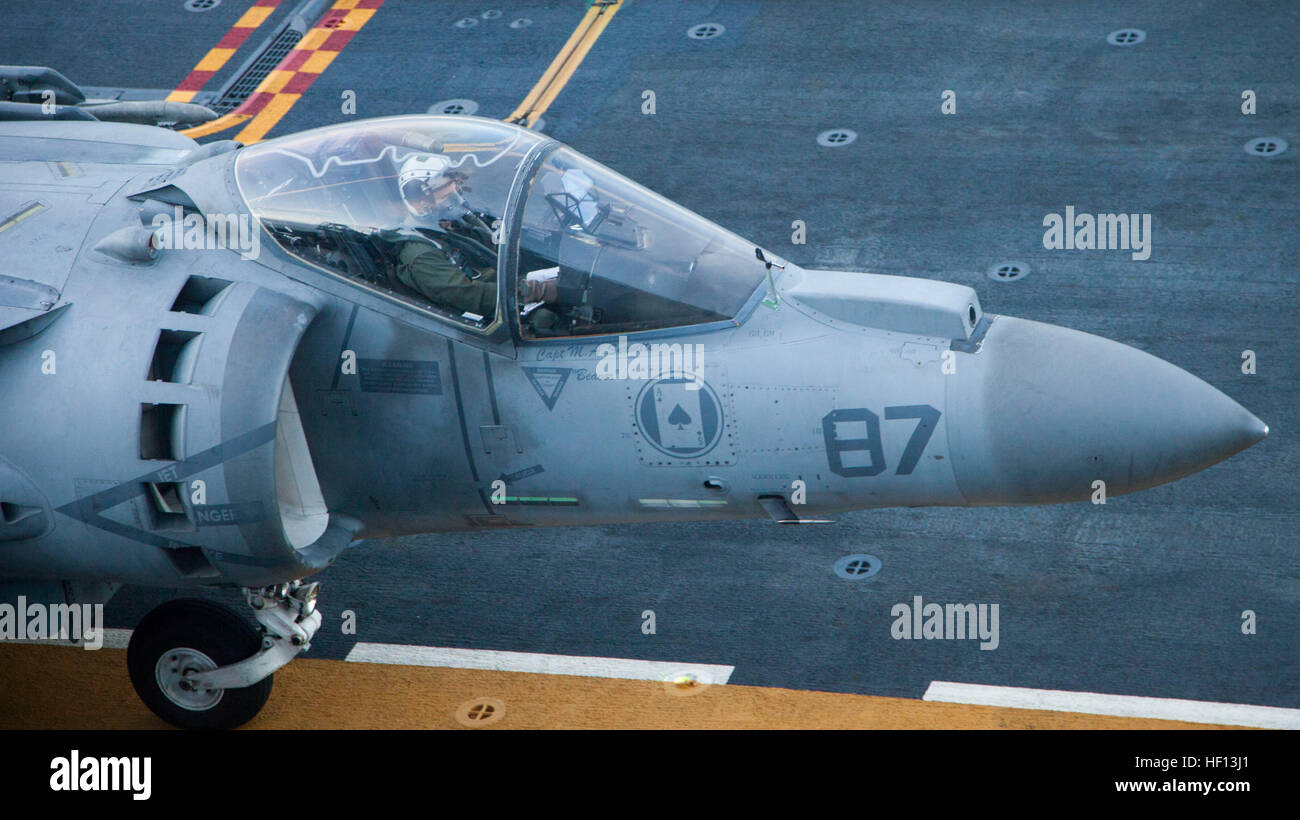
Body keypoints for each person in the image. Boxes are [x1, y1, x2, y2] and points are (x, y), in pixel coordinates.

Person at [393, 154, 556, 321]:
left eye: (453, 185)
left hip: (500, 286)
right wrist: (537, 290)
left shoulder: (449, 226)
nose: (455, 193)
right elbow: (469, 295)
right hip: (476, 319)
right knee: (545, 319)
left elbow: (496, 250)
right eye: (445, 193)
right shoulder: (420, 254)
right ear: (419, 201)